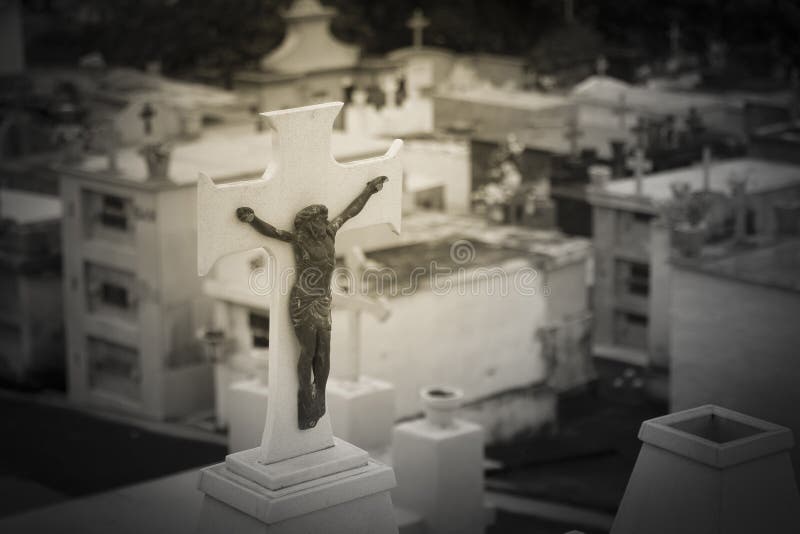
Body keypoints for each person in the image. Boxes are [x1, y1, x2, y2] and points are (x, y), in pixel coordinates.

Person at [236, 175, 388, 429]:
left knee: (325, 350)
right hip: (303, 301)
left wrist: (370, 190)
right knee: (308, 351)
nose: (322, 225)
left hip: (322, 299)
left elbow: (351, 211)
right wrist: (253, 220)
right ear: (308, 225)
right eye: (317, 222)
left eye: (322, 220)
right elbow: (272, 232)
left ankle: (320, 395)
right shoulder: (299, 240)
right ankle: (306, 396)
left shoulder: (331, 231)